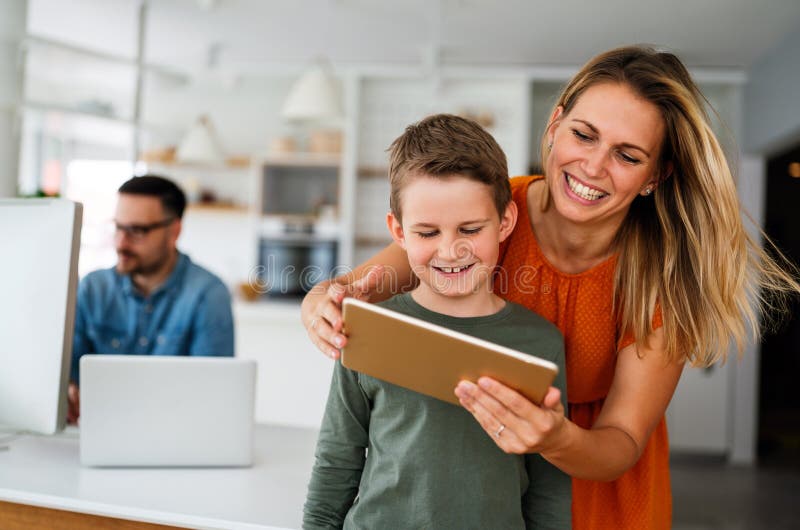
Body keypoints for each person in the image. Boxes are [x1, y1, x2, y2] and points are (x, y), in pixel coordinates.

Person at [301, 46, 800, 529]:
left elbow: (623, 438)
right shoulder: (486, 215)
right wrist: (319, 302)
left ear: (656, 175)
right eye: (583, 135)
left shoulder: (661, 279)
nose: (593, 167)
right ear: (555, 125)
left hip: (602, 489)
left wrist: (555, 437)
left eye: (627, 156)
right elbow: (353, 290)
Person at [303, 114, 572, 529]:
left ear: (505, 222)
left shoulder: (540, 342)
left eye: (470, 229)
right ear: (398, 231)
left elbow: (549, 484)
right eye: (427, 233)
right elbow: (337, 458)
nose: (450, 251)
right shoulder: (367, 329)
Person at [67, 175, 235, 423]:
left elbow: (212, 394)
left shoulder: (207, 294)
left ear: (174, 231)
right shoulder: (93, 288)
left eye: (137, 231)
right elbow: (67, 374)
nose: (121, 243)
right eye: (118, 227)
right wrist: (68, 389)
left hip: (175, 434)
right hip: (98, 428)